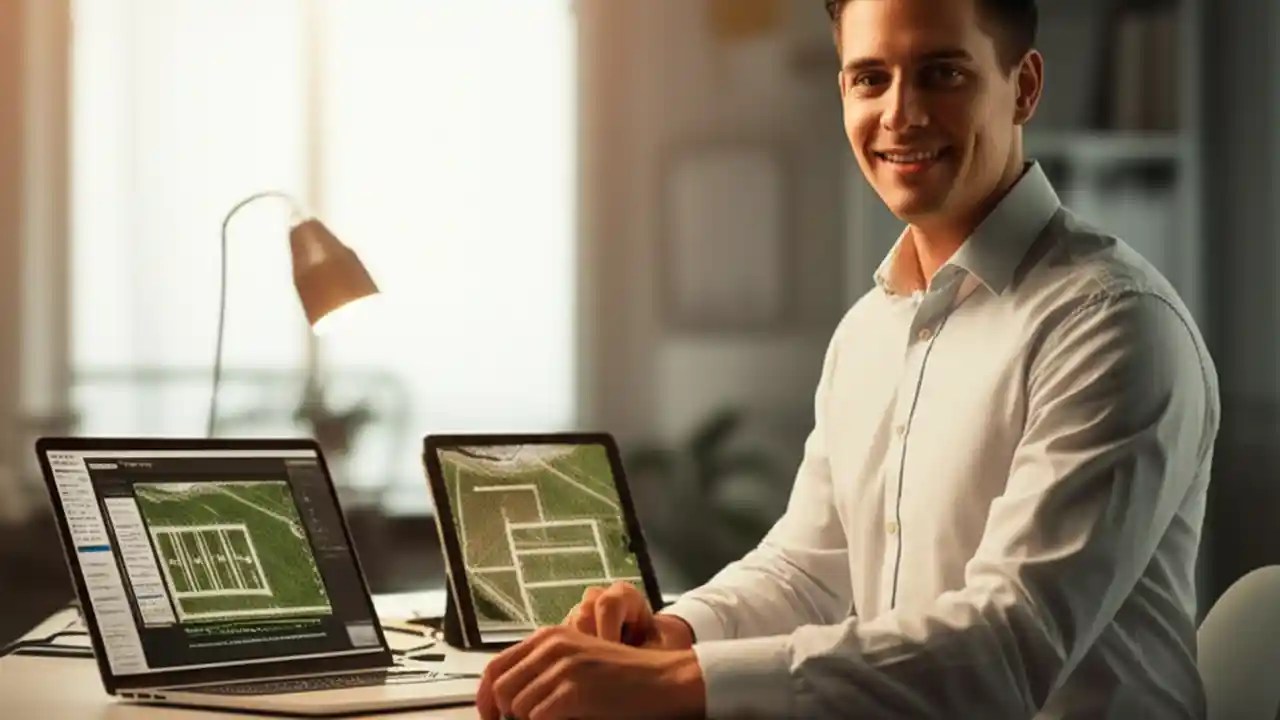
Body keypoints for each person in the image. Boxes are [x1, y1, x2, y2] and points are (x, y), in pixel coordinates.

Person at [476, 0, 1220, 716]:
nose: (900, 113)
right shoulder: (870, 329)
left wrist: (678, 681)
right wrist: (668, 637)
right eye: (871, 77)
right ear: (844, 92)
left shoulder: (1113, 326)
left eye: (942, 73)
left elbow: (1008, 647)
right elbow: (807, 571)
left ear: (1022, 87)